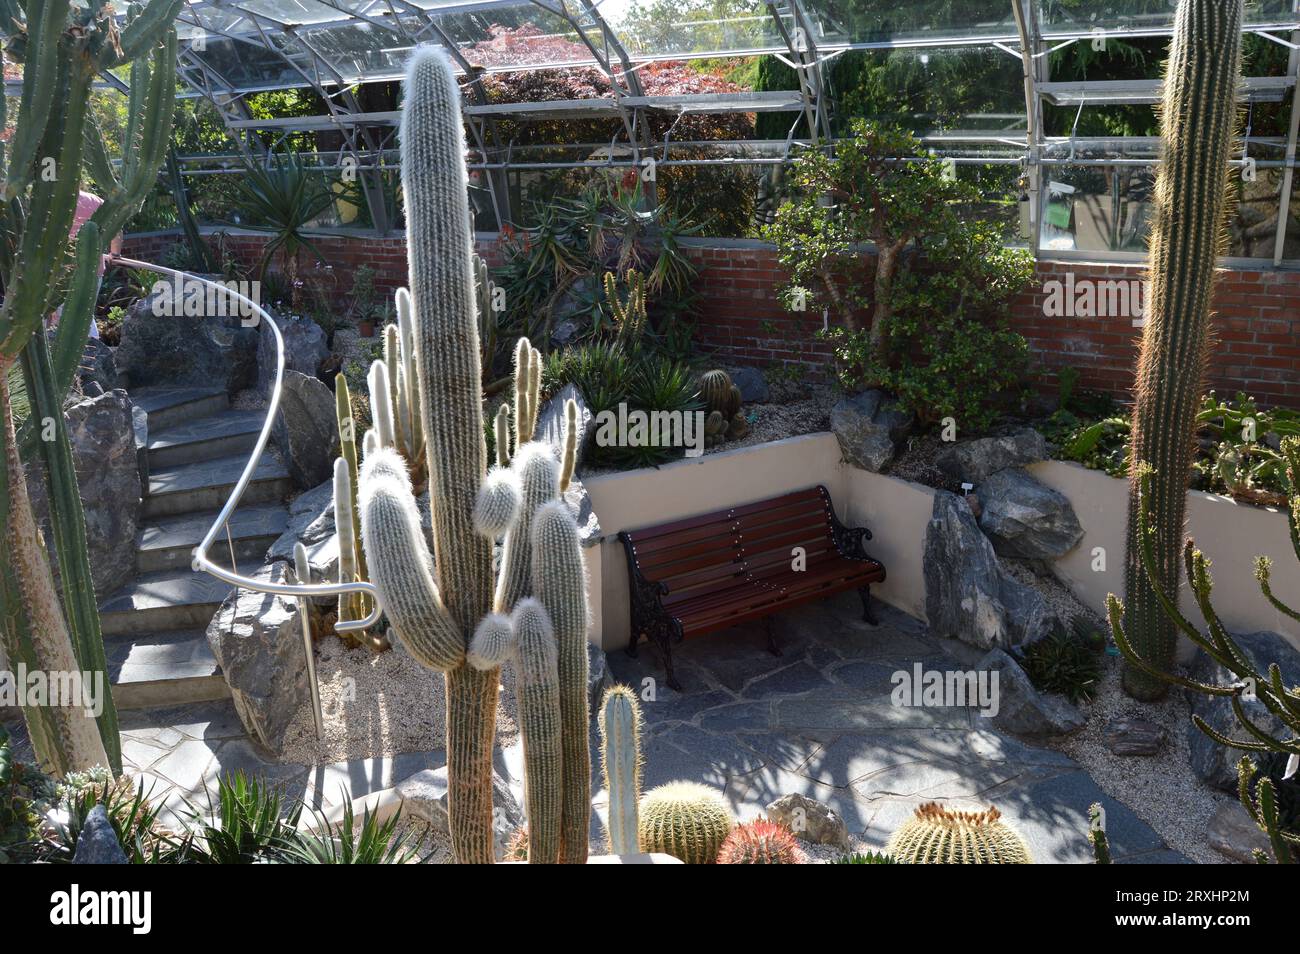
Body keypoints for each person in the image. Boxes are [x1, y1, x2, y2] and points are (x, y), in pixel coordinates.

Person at [49, 190, 122, 340]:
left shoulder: (50, 200)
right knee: (84, 318)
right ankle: (96, 357)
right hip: (93, 270)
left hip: (60, 272)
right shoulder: (95, 200)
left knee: (61, 319)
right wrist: (115, 254)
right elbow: (116, 229)